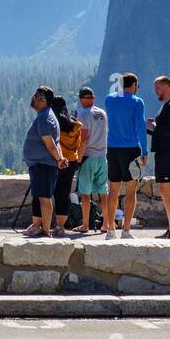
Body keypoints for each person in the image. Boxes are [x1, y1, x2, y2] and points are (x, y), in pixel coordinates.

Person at [30, 96, 82, 236]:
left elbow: (50, 143)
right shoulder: (75, 126)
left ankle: (38, 225)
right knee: (63, 193)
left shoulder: (51, 122)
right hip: (70, 161)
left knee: (41, 193)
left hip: (53, 160)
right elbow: (78, 145)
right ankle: (60, 226)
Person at [104, 73, 147, 239]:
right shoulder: (137, 102)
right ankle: (126, 230)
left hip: (112, 148)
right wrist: (144, 151)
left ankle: (110, 230)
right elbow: (141, 128)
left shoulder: (109, 99)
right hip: (131, 150)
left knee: (113, 191)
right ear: (134, 84)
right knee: (131, 190)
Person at [22, 86, 67, 238]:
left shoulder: (43, 118)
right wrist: (59, 158)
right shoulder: (49, 116)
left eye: (36, 96)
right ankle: (43, 229)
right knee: (43, 197)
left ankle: (45, 231)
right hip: (43, 164)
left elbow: (50, 143)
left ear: (43, 100)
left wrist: (59, 158)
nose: (33, 98)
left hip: (43, 164)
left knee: (44, 198)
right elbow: (57, 143)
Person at [147, 76, 170, 241]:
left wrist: (156, 127)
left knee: (168, 193)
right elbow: (162, 131)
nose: (156, 91)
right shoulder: (166, 106)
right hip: (164, 153)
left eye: (158, 88)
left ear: (167, 87)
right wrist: (151, 128)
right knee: (164, 192)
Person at [73, 87, 108, 234]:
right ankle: (107, 224)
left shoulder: (82, 114)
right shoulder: (102, 113)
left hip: (88, 156)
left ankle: (85, 224)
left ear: (81, 99)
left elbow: (83, 139)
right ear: (93, 98)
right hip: (102, 156)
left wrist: (78, 160)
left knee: (85, 193)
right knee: (103, 192)